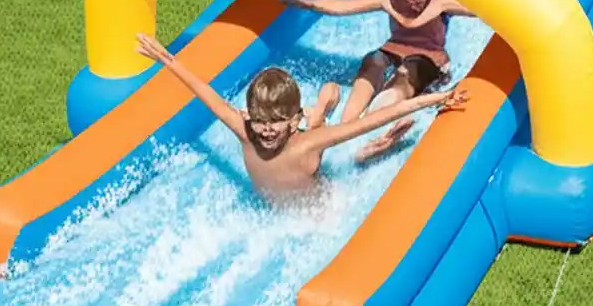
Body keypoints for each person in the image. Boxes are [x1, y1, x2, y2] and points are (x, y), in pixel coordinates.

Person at [134, 33, 467, 201]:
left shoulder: (306, 143)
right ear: (249, 115)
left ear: (293, 123)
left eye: (275, 122)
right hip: (305, 157)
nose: (265, 130)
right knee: (339, 140)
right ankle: (322, 106)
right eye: (260, 120)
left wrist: (437, 99)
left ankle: (374, 137)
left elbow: (369, 122)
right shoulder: (244, 130)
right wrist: (167, 59)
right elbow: (208, 97)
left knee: (357, 150)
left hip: (322, 208)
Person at [282, 0, 474, 161]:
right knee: (373, 61)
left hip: (429, 59)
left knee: (406, 72)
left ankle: (369, 130)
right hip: (394, 48)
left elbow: (479, 9)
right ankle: (345, 126)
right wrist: (307, 4)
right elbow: (346, 6)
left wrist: (442, 6)